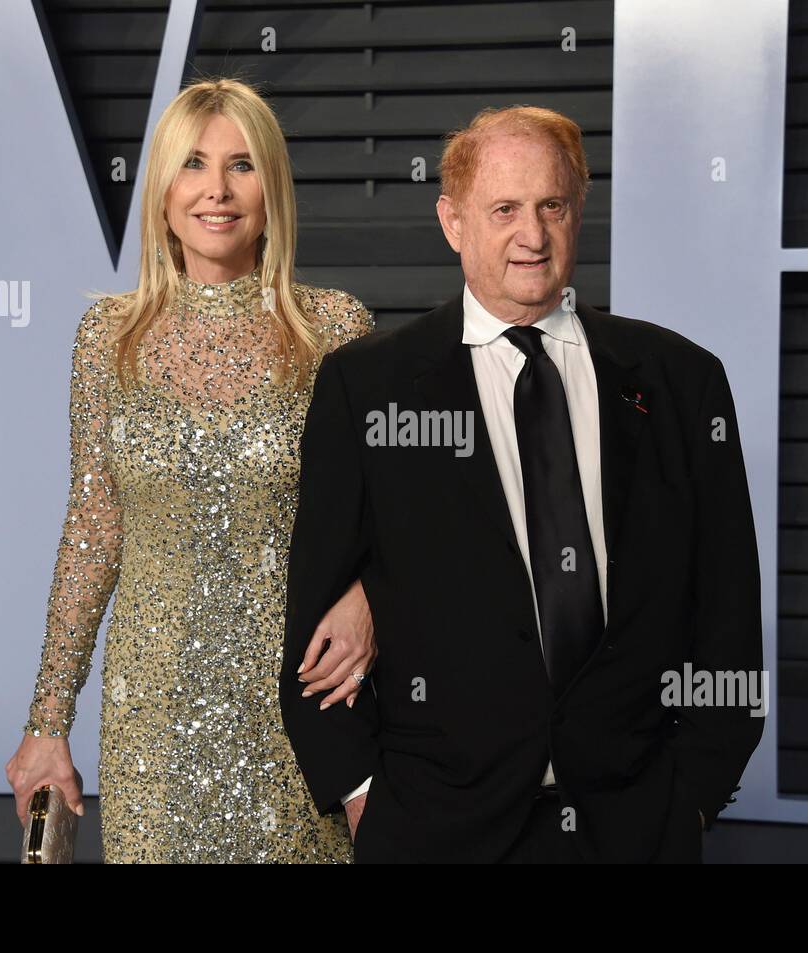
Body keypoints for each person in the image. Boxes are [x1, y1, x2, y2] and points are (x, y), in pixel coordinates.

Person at [280, 105, 764, 863]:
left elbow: (729, 613)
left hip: (634, 827)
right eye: (503, 209)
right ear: (453, 221)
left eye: (552, 206)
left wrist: (692, 798)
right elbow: (312, 637)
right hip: (435, 832)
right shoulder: (368, 388)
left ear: (580, 209)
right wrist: (366, 803)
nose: (532, 236)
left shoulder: (681, 382)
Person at [5, 78, 376, 863]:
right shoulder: (108, 338)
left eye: (242, 165)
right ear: (163, 192)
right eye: (194, 165)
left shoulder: (335, 329)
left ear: (271, 187)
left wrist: (368, 600)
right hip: (152, 715)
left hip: (299, 708)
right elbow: (93, 530)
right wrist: (47, 720)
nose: (217, 189)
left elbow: (392, 515)